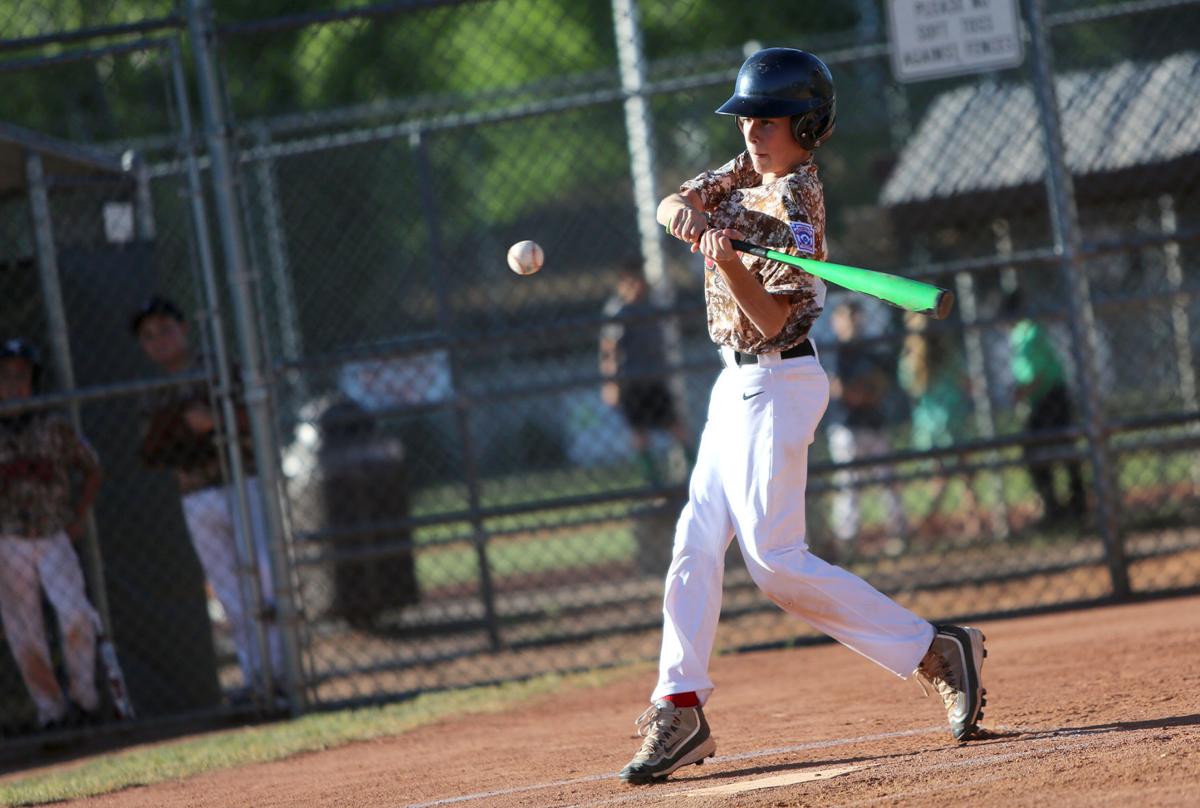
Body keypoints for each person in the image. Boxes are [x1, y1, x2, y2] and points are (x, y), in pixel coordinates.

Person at [619, 48, 988, 786]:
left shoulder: (797, 207)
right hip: (733, 388)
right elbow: (672, 203)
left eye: (771, 120)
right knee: (694, 541)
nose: (755, 130)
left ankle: (935, 649)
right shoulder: (741, 171)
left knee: (776, 564)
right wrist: (690, 220)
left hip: (779, 381)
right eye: (749, 117)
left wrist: (727, 264)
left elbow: (768, 322)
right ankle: (680, 702)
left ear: (808, 125)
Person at [130, 296, 283, 698]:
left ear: (184, 329)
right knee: (229, 592)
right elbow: (149, 451)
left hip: (241, 483)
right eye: (148, 336)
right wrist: (177, 432)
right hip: (195, 493)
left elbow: (259, 418)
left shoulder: (217, 366)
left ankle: (286, 674)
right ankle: (257, 679)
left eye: (165, 329)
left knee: (266, 575)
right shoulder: (152, 390)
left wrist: (215, 421)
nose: (159, 340)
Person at [0, 338, 104, 730]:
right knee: (24, 633)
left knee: (75, 613)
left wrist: (79, 516)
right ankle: (51, 712)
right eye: (4, 376)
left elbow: (92, 468)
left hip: (53, 535)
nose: (12, 384)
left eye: (21, 376)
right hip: (7, 540)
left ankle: (85, 700)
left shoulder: (52, 426)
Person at [599, 260, 694, 483]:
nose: (637, 285)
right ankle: (653, 481)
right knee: (639, 432)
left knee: (675, 425)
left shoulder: (651, 304)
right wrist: (611, 383)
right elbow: (609, 349)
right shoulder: (618, 310)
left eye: (639, 279)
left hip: (655, 378)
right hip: (632, 381)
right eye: (630, 281)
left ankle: (694, 472)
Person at [826, 299, 907, 548]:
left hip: (873, 424)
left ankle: (898, 534)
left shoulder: (870, 350)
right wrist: (861, 392)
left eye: (856, 318)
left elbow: (880, 385)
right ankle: (848, 540)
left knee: (888, 481)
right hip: (846, 426)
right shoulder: (833, 352)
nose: (853, 323)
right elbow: (837, 389)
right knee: (848, 485)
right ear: (835, 322)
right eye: (846, 318)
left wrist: (864, 392)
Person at [1003, 289, 1086, 524]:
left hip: (1049, 397)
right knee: (1056, 449)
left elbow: (1036, 376)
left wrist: (1019, 393)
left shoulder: (1026, 333)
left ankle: (1059, 507)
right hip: (1047, 397)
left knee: (1040, 451)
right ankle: (1066, 505)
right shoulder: (1025, 331)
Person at [897, 315, 982, 537]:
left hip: (929, 425)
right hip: (952, 420)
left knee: (941, 478)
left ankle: (926, 523)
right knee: (963, 476)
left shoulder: (911, 357)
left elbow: (908, 386)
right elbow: (966, 381)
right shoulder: (949, 354)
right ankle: (971, 526)